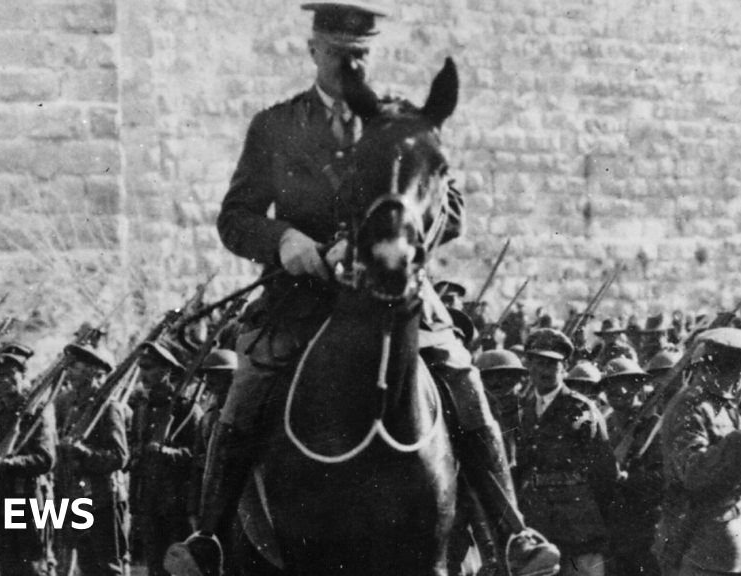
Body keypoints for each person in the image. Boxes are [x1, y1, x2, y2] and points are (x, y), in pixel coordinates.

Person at [166, 2, 557, 575]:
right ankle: (211, 537)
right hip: (300, 302)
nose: (350, 64)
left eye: (360, 55)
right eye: (338, 53)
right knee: (246, 390)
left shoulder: (400, 124)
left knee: (461, 378)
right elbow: (236, 218)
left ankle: (512, 531)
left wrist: (385, 237)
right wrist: (286, 241)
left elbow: (450, 211)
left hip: (396, 298)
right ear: (313, 50)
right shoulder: (276, 125)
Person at [655, 327, 741, 575]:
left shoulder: (727, 404)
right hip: (697, 541)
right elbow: (693, 473)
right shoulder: (689, 405)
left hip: (729, 539)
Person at [515, 329, 617, 576]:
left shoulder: (581, 408)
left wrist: (590, 513)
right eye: (539, 363)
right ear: (529, 366)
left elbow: (605, 472)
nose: (545, 371)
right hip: (538, 518)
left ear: (565, 366)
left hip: (578, 521)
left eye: (553, 364)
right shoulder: (526, 411)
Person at [54, 343, 128, 576]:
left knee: (107, 568)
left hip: (103, 499)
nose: (69, 371)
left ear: (93, 372)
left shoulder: (108, 407)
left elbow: (119, 457)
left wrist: (83, 452)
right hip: (76, 497)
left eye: (76, 366)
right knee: (86, 566)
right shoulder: (67, 403)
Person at [130, 342, 200, 576]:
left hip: (175, 499)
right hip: (149, 498)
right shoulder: (142, 407)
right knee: (155, 565)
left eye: (149, 367)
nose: (143, 374)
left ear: (167, 370)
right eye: (141, 367)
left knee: (179, 564)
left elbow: (198, 453)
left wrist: (166, 453)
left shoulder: (186, 408)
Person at [0, 349, 56, 576]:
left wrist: (7, 463)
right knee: (7, 566)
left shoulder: (35, 411)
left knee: (34, 567)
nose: (4, 380)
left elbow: (45, 458)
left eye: (10, 374)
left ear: (22, 376)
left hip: (29, 498)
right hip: (1, 498)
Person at [599, 357, 661, 576]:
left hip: (644, 528)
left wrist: (629, 480)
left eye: (625, 382)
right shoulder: (603, 425)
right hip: (611, 528)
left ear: (638, 386)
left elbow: (663, 478)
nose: (618, 390)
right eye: (610, 384)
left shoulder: (653, 426)